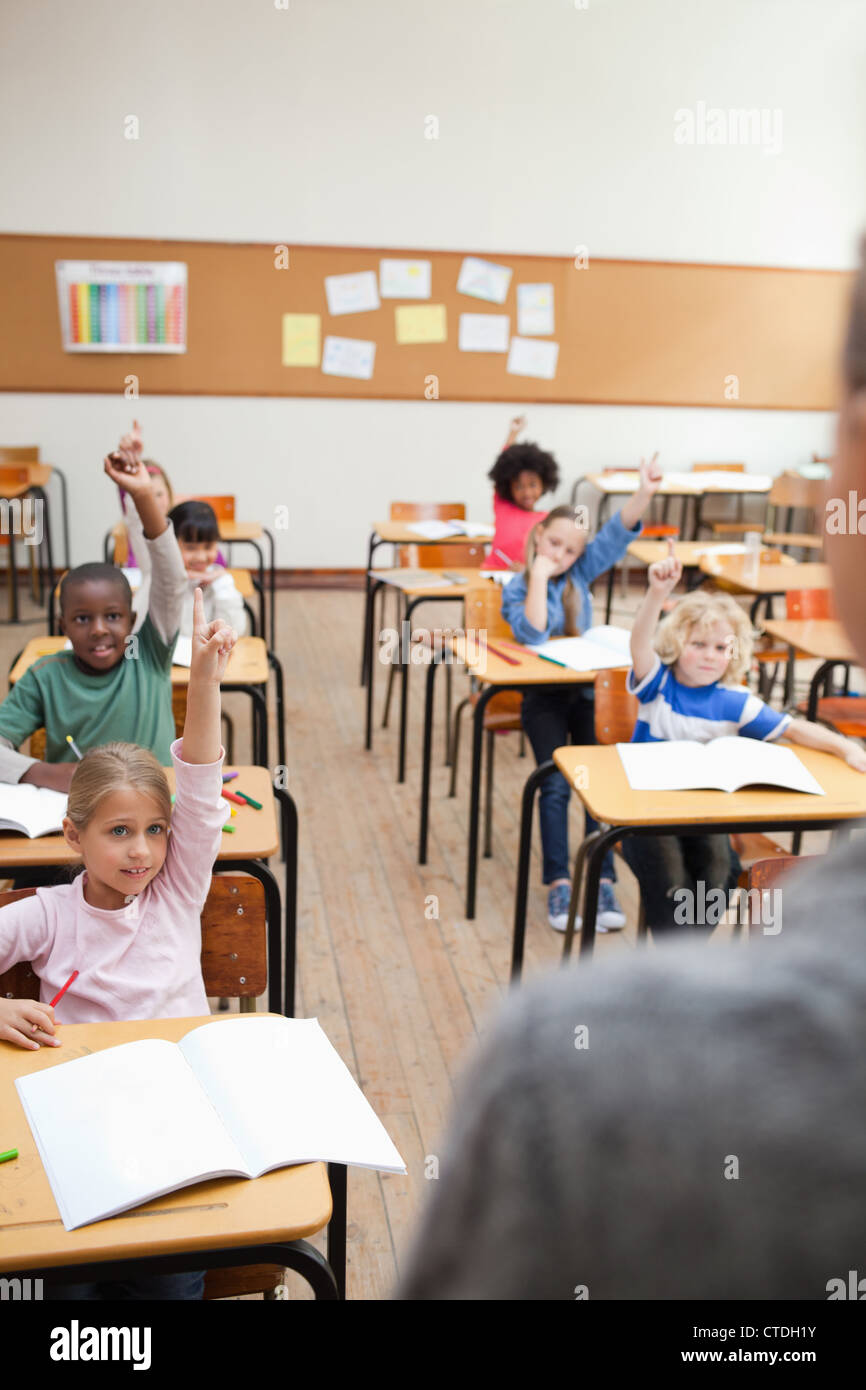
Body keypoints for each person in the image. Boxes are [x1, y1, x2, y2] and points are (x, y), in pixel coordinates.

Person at [395, 241, 866, 1301]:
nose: (563, 546)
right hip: (562, 702)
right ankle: (595, 888)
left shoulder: (569, 1090)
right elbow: (595, 631)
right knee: (593, 790)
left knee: (697, 846)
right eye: (550, 532)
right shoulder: (530, 577)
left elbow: (638, 588)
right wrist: (565, 577)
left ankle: (673, 932)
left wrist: (628, 525)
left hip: (609, 716)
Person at [0, 588, 236, 1299]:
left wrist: (205, 674)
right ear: (74, 836)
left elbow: (196, 783)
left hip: (174, 1132)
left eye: (155, 831)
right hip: (79, 1134)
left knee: (167, 1286)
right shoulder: (45, 915)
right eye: (118, 832)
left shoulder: (176, 891)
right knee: (73, 1294)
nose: (142, 853)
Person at [622, 547, 866, 933]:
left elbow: (794, 728)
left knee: (719, 866)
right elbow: (639, 644)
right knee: (669, 874)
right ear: (675, 643)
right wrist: (655, 593)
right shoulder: (659, 683)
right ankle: (680, 956)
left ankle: (690, 956)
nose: (709, 656)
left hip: (706, 813)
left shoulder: (736, 702)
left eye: (721, 648)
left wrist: (848, 748)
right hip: (649, 810)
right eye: (698, 644)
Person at [501, 454, 662, 930]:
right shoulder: (518, 584)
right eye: (553, 544)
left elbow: (616, 533)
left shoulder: (578, 572)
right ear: (537, 537)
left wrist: (645, 492)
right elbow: (532, 634)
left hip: (588, 692)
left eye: (571, 551)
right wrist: (537, 575)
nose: (562, 556)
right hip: (544, 697)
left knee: (597, 783)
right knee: (554, 784)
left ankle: (603, 879)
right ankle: (558, 884)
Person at [0, 447, 187, 790]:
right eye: (83, 619)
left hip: (152, 813)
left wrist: (144, 494)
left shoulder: (148, 654)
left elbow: (172, 580)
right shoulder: (45, 677)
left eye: (113, 616)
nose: (99, 630)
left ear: (132, 621)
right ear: (63, 627)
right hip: (79, 822)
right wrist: (43, 773)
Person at [129, 498, 248, 638]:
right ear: (171, 545)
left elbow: (233, 631)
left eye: (208, 547)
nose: (201, 557)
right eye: (191, 548)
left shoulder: (219, 582)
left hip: (196, 657)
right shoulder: (156, 571)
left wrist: (223, 584)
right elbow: (136, 522)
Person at [479, 415, 558, 571]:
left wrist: (527, 570)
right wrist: (512, 435)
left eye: (533, 485)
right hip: (492, 573)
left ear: (544, 484)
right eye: (519, 487)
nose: (527, 492)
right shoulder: (504, 507)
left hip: (524, 579)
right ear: (509, 488)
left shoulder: (546, 519)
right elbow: (503, 465)